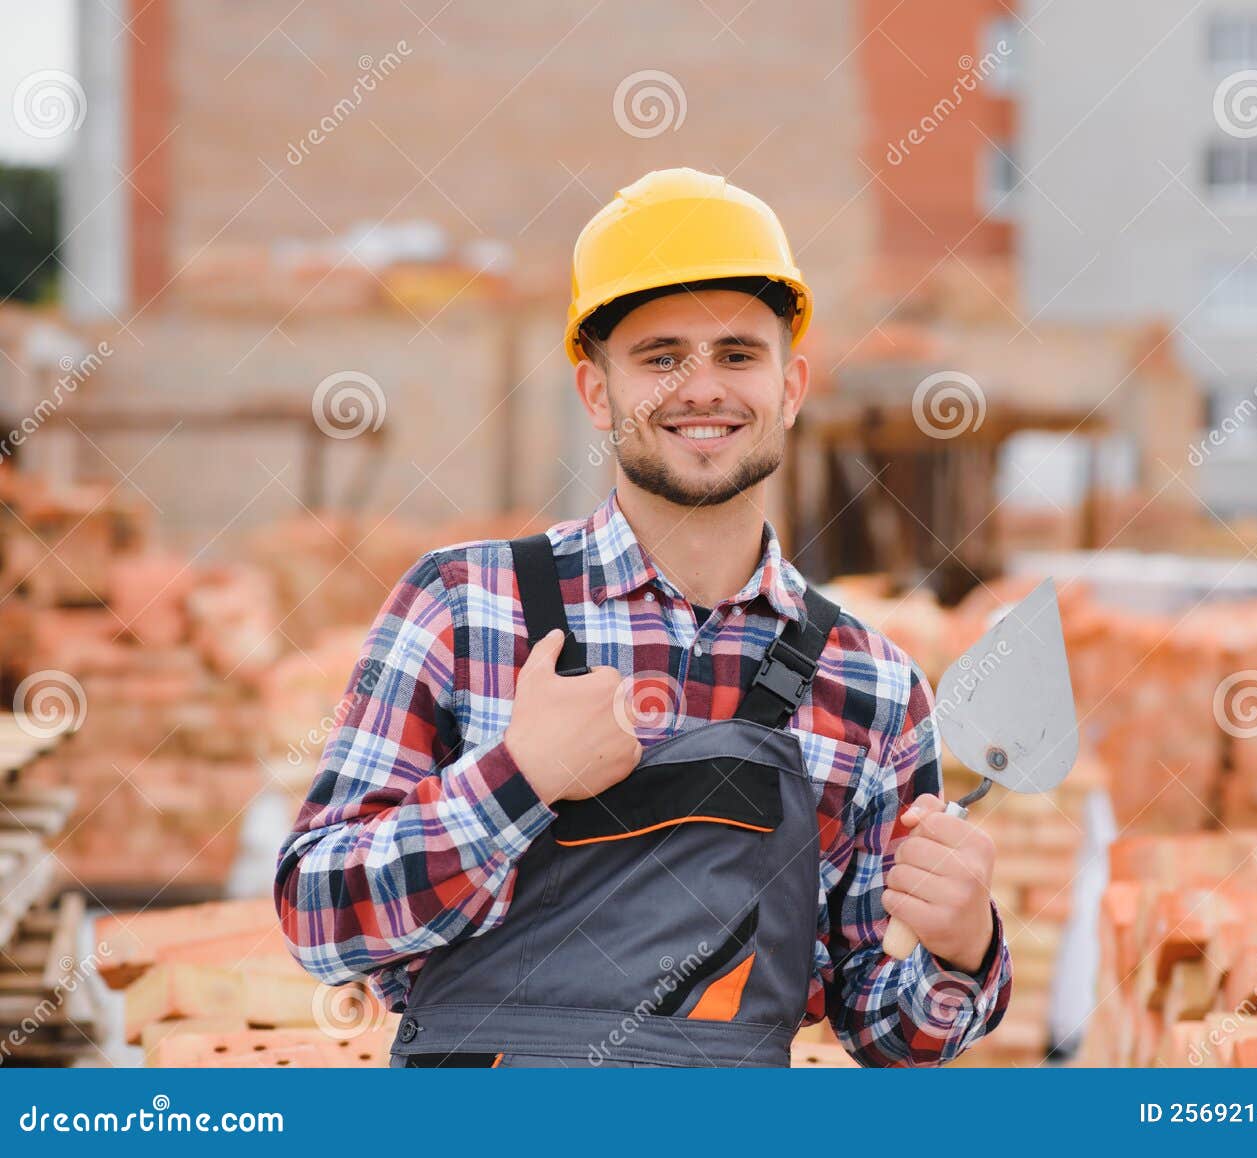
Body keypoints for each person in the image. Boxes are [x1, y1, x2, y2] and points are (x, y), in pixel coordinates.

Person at [274, 168, 1012, 1068]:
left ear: (790, 386)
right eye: (661, 357)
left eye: (738, 354)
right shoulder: (464, 609)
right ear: (597, 394)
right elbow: (320, 919)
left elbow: (882, 1029)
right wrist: (519, 779)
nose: (703, 389)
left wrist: (963, 951)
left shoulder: (870, 683)